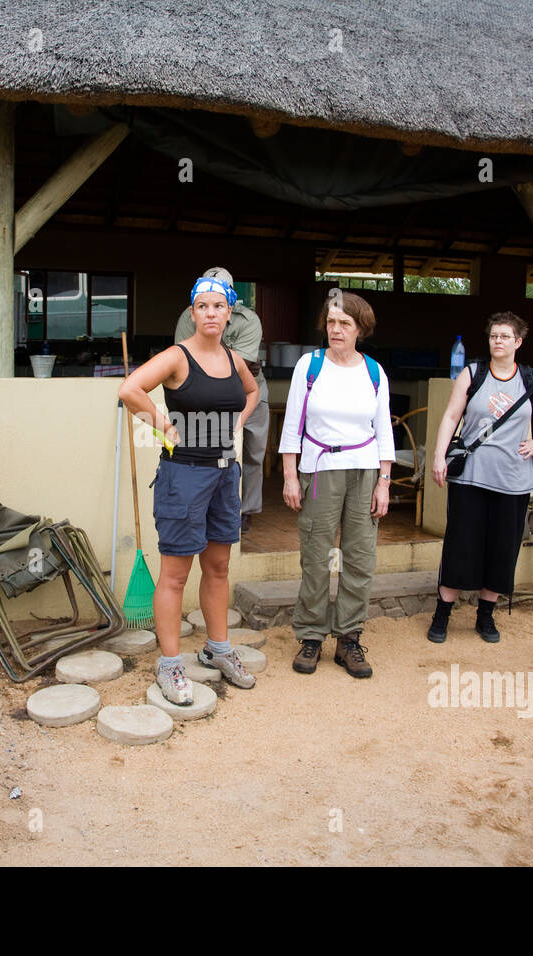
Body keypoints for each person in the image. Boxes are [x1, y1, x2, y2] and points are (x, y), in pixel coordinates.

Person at [119, 274, 260, 704]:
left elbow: (251, 392)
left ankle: (218, 649)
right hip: (183, 478)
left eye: (219, 306)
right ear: (193, 312)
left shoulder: (235, 360)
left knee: (218, 568)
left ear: (229, 312)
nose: (211, 313)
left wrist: (236, 423)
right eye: (203, 306)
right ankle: (170, 664)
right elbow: (130, 389)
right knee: (176, 574)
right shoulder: (178, 357)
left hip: (224, 475)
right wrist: (163, 425)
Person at [427, 312, 533, 643]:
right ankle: (442, 613)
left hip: (513, 480)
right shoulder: (472, 373)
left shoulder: (530, 378)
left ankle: (485, 615)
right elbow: (451, 416)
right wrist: (438, 455)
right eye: (494, 336)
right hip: (471, 477)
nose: (498, 341)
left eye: (505, 336)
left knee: (502, 548)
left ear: (518, 342)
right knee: (461, 545)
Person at [280, 291, 395, 677]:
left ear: (360, 328)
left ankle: (348, 638)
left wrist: (384, 482)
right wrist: (290, 476)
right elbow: (292, 424)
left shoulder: (374, 372)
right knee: (316, 555)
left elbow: (383, 431)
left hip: (364, 469)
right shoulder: (308, 367)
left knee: (359, 557)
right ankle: (311, 635)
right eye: (331, 322)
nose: (336, 329)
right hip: (319, 468)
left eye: (345, 323)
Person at [175, 267, 267, 533]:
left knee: (252, 453)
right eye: (204, 300)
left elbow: (241, 365)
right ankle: (209, 508)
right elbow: (186, 357)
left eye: (220, 300)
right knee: (208, 452)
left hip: (250, 391)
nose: (211, 309)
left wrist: (211, 351)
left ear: (231, 301)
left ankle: (246, 509)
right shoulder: (188, 315)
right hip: (206, 396)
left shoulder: (248, 319)